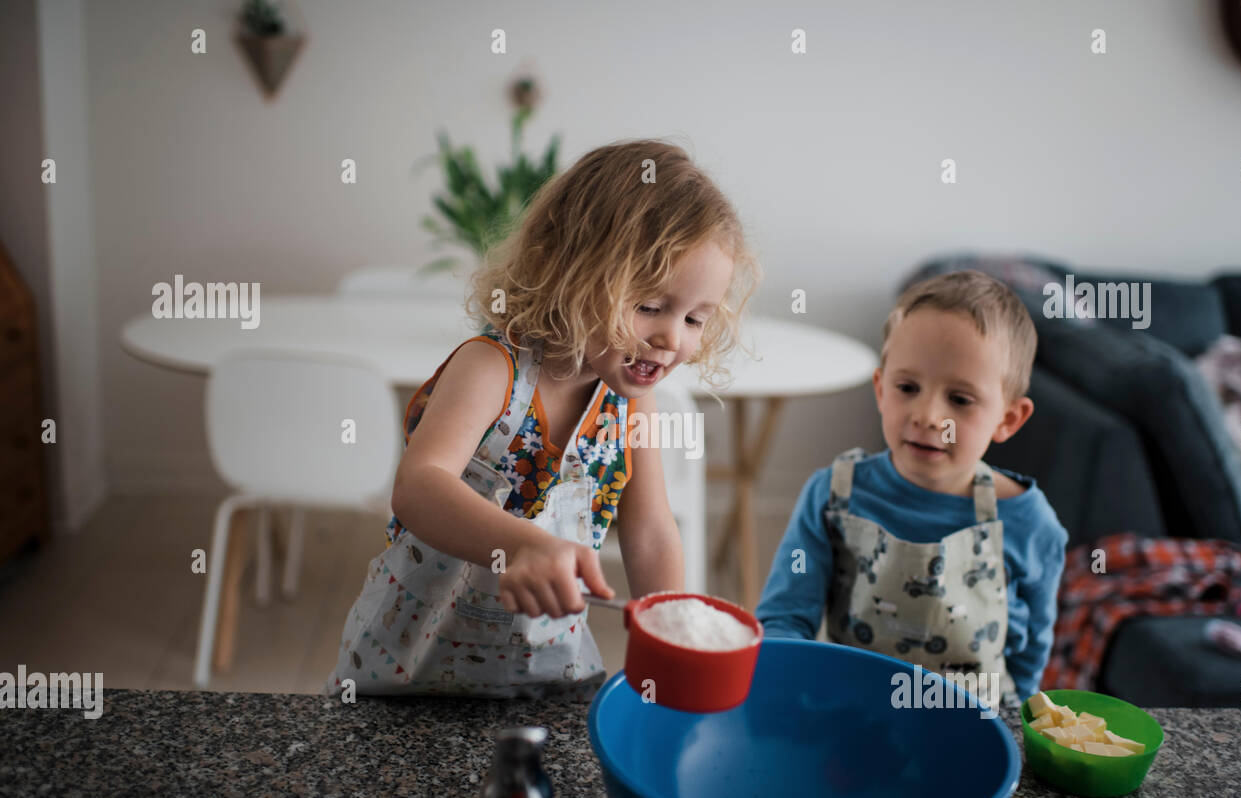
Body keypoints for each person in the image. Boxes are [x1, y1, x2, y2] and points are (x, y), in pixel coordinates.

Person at [326, 138, 758, 700]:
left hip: (544, 672)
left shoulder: (630, 403)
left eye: (696, 319)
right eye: (649, 306)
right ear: (572, 268)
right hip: (408, 670)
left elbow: (650, 529)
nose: (671, 339)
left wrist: (672, 636)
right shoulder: (492, 369)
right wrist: (524, 546)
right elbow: (418, 486)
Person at [756, 270, 1068, 709]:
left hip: (973, 728)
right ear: (881, 390)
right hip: (855, 712)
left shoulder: (1027, 521)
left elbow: (1031, 648)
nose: (927, 414)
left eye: (959, 399)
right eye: (908, 388)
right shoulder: (831, 495)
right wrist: (784, 687)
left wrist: (1019, 729)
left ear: (1008, 419)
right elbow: (786, 617)